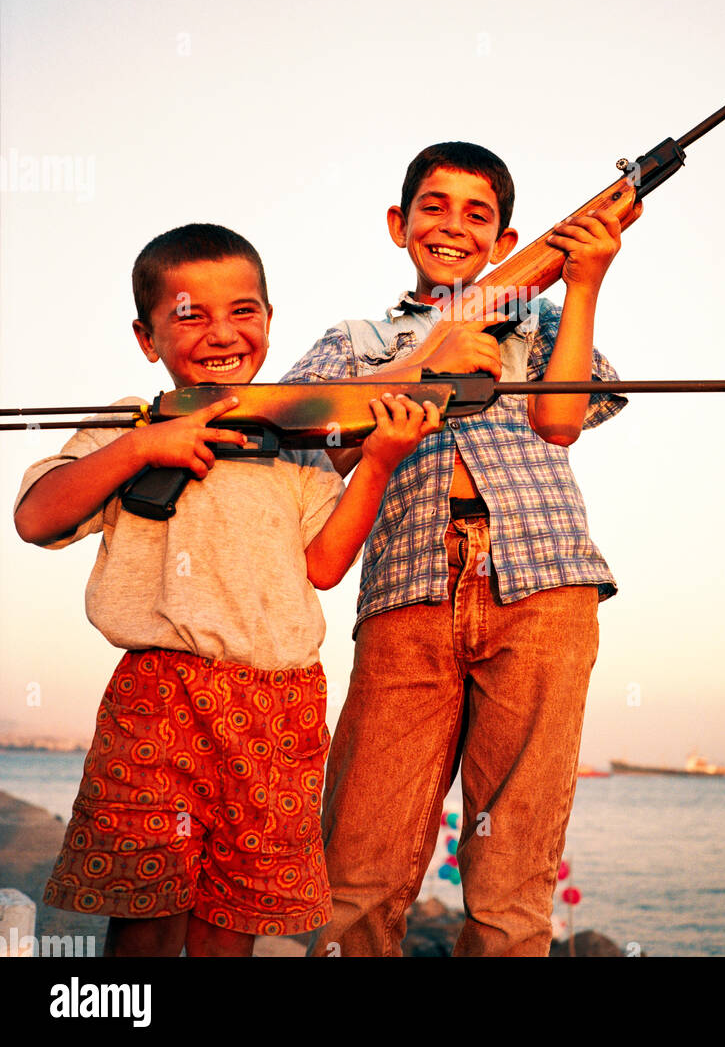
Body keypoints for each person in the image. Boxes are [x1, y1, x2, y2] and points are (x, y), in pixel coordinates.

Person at [13, 222, 440, 958]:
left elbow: (326, 565)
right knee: (143, 916)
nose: (222, 332)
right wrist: (145, 445)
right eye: (189, 313)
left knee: (231, 923)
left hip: (280, 708)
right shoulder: (129, 424)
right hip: (157, 698)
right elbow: (36, 516)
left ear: (269, 323)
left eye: (243, 311)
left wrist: (376, 463)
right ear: (148, 338)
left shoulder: (297, 449)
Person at [284, 141, 630, 957]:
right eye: (434, 207)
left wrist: (583, 283)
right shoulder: (360, 338)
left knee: (512, 872)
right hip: (406, 591)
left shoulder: (542, 321)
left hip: (542, 581)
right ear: (400, 224)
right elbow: (293, 421)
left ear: (506, 244)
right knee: (358, 863)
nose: (454, 227)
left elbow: (562, 421)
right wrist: (422, 359)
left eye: (480, 215)